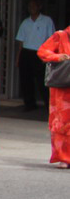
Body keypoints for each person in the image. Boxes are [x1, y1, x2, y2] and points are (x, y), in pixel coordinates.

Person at [38, 23, 70, 168]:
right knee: (61, 123)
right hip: (62, 90)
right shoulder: (61, 36)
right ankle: (64, 157)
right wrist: (58, 57)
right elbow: (42, 51)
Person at [16, 0, 55, 112]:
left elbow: (51, 39)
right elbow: (21, 41)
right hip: (26, 52)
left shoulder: (47, 20)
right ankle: (29, 104)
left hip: (40, 52)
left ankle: (49, 106)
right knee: (26, 80)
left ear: (39, 7)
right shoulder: (25, 22)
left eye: (34, 6)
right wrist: (18, 58)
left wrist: (48, 55)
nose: (31, 8)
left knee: (43, 81)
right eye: (29, 6)